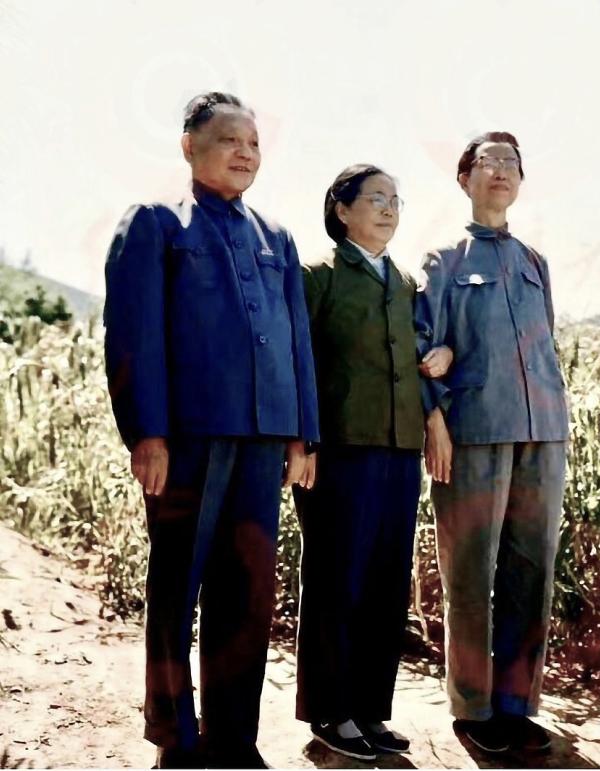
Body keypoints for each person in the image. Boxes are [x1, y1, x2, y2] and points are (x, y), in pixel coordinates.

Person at [103, 92, 319, 769]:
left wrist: (301, 435)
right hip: (187, 439)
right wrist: (148, 434)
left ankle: (234, 739)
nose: (245, 152)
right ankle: (176, 737)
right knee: (177, 587)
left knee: (247, 593)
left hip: (262, 439)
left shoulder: (276, 237)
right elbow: (133, 334)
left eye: (253, 142)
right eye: (229, 139)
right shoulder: (157, 223)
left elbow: (296, 341)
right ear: (189, 146)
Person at [416, 132, 569, 755]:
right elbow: (425, 348)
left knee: (532, 572)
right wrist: (436, 423)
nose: (502, 172)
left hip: (543, 435)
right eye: (489, 162)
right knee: (471, 574)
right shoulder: (442, 261)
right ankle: (474, 710)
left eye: (512, 163)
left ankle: (516, 703)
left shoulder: (535, 262)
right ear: (465, 179)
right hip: (474, 434)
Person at [293, 164, 452, 761]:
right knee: (337, 580)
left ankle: (368, 711)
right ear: (341, 209)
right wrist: (301, 440)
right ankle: (329, 715)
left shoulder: (405, 281)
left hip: (398, 449)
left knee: (386, 582)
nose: (389, 209)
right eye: (375, 198)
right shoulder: (318, 276)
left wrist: (433, 418)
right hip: (338, 451)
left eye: (395, 199)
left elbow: (417, 359)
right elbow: (298, 362)